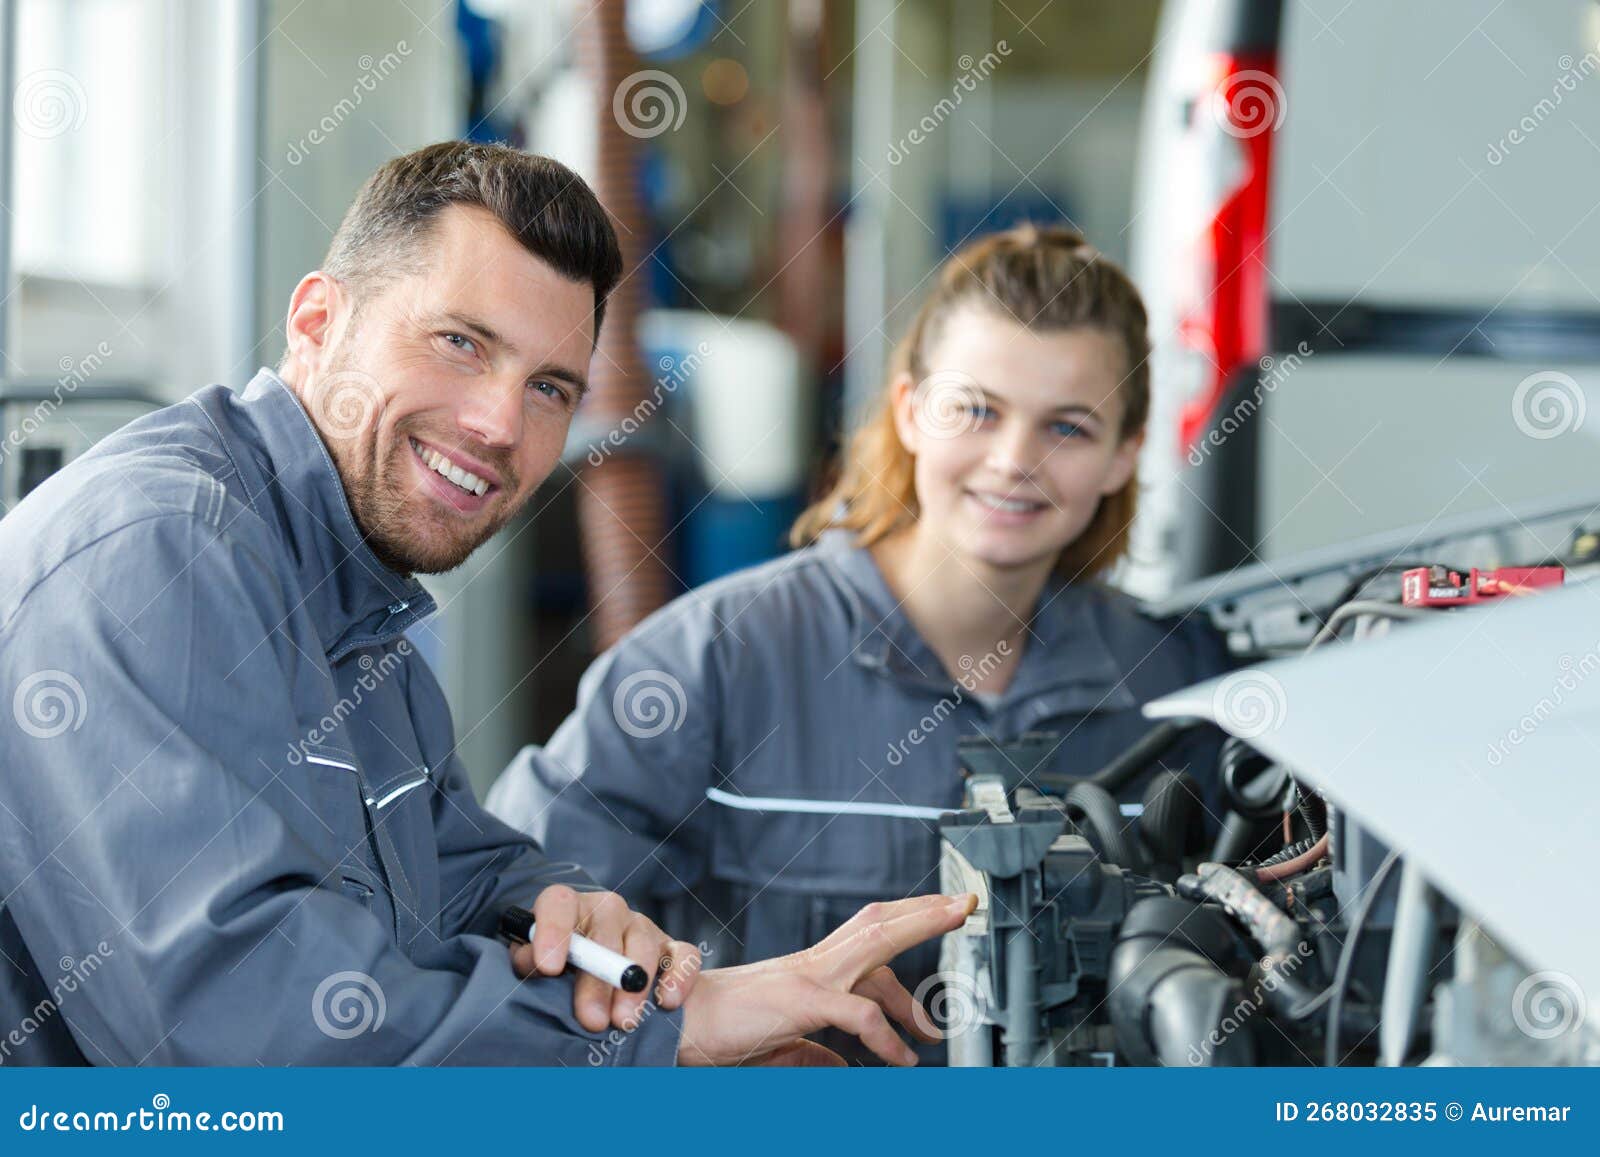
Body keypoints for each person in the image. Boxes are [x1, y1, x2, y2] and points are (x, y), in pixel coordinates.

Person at [0, 141, 971, 1068]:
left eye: (549, 387)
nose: (500, 424)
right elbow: (253, 1033)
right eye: (459, 342)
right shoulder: (158, 553)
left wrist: (573, 912)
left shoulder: (356, 592)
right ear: (316, 324)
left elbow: (456, 864)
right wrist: (660, 1041)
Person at [487, 224, 1233, 1056]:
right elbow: (513, 908)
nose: (1015, 458)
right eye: (976, 410)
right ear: (911, 411)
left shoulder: (1182, 683)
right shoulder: (714, 662)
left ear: (1126, 453)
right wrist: (682, 1042)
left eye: (1069, 427)